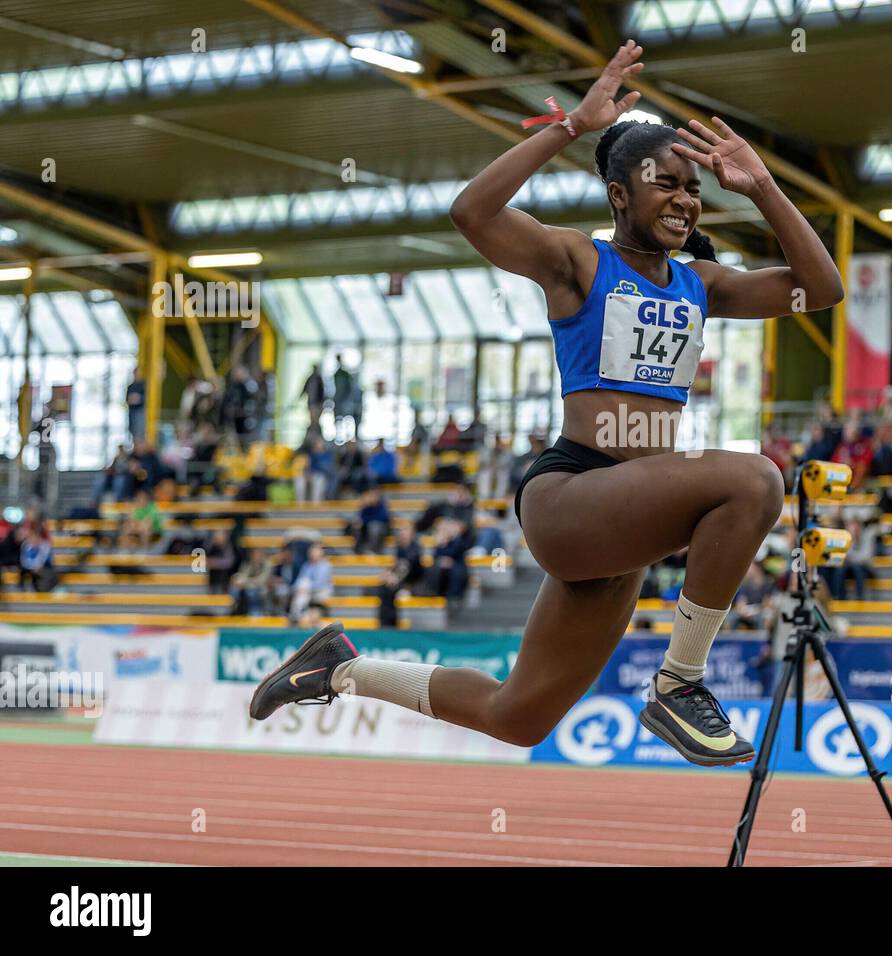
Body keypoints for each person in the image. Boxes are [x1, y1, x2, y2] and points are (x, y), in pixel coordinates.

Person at [249, 41, 842, 768]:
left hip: (627, 529)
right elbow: (472, 211)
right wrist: (569, 128)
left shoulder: (704, 284)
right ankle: (681, 682)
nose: (686, 199)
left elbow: (822, 289)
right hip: (572, 496)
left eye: (694, 187)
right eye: (666, 184)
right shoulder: (575, 262)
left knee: (519, 717)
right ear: (620, 195)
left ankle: (336, 667)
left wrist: (762, 189)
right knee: (755, 479)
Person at [290, 544, 333, 624]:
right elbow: (299, 579)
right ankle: (298, 613)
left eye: (315, 552)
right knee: (302, 584)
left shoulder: (325, 565)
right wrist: (297, 588)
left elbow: (320, 584)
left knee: (304, 587)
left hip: (320, 591)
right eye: (311, 552)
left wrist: (305, 589)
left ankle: (297, 613)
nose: (312, 554)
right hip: (306, 593)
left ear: (320, 554)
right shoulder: (307, 565)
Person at [126, 366, 146, 444]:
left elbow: (146, 398)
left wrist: (138, 398)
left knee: (139, 432)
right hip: (132, 412)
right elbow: (127, 399)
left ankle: (139, 445)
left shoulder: (144, 385)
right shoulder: (130, 386)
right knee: (133, 431)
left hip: (140, 412)